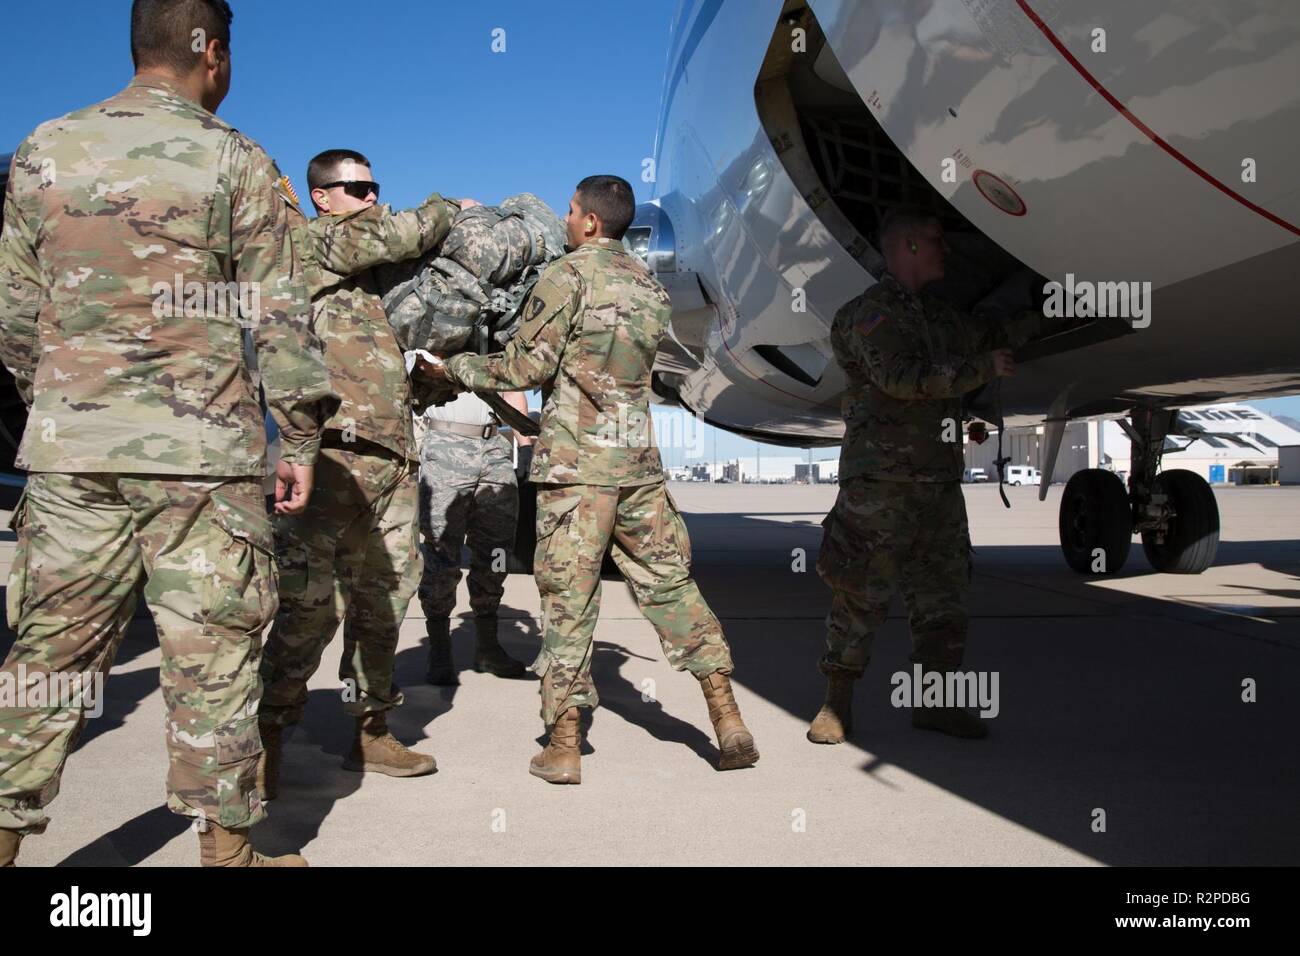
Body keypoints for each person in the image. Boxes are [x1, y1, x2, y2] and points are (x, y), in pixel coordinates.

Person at [0, 0, 336, 867]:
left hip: (72, 452)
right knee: (214, 654)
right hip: (201, 461)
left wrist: (67, 404)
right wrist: (296, 438)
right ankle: (228, 853)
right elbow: (281, 316)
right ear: (212, 53)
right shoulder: (234, 158)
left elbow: (15, 318)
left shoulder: (44, 150)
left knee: (49, 660)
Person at [416, 175, 758, 784]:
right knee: (670, 586)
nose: (567, 221)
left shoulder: (567, 276)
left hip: (576, 473)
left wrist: (458, 365)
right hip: (637, 470)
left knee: (568, 605)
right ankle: (727, 719)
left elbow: (526, 364)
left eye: (572, 212)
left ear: (593, 222)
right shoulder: (650, 288)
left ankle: (565, 744)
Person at [256, 149, 471, 795]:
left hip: (392, 458)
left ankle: (371, 730)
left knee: (383, 604)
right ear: (322, 196)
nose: (372, 195)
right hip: (329, 456)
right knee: (308, 609)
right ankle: (267, 736)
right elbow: (404, 229)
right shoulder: (314, 242)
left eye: (377, 185)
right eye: (358, 186)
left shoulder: (368, 282)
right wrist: (448, 208)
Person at [808, 207, 1060, 743]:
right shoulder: (866, 316)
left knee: (943, 599)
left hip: (939, 485)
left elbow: (991, 332)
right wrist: (982, 368)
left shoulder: (941, 318)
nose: (946, 248)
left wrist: (1056, 305)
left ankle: (936, 703)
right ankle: (836, 703)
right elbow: (901, 379)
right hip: (879, 486)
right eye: (935, 238)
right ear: (909, 247)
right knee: (860, 594)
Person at [419, 389, 535, 685]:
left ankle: (488, 648)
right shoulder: (430, 342)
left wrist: (525, 446)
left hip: (495, 447)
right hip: (445, 445)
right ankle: (440, 650)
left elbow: (512, 391)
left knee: (496, 551)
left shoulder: (497, 342)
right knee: (440, 549)